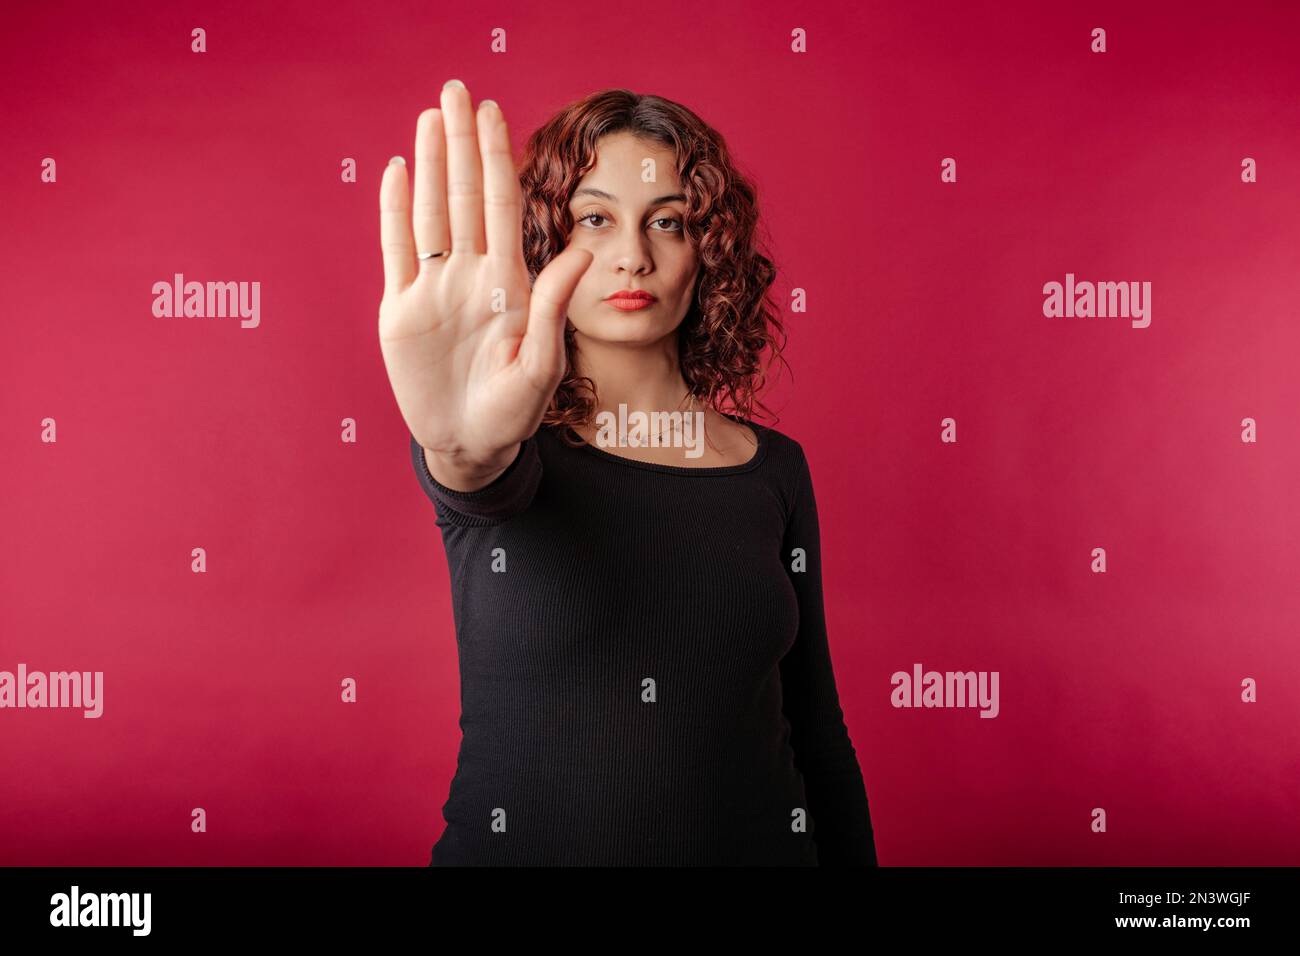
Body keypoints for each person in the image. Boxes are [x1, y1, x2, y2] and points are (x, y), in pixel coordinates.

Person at [378, 79, 877, 866]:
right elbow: (471, 468)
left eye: (668, 223)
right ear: (547, 241)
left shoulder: (775, 471)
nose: (632, 256)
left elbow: (817, 728)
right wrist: (456, 442)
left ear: (705, 249)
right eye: (596, 219)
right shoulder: (507, 451)